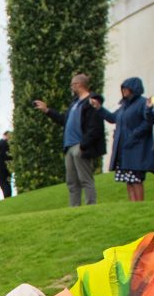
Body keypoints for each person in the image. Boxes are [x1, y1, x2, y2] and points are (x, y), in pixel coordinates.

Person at [34, 74, 105, 206]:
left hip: (80, 146)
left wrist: (83, 145)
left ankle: (91, 206)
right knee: (72, 182)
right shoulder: (74, 103)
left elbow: (94, 128)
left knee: (85, 179)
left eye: (72, 84)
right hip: (69, 147)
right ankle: (74, 209)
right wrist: (47, 110)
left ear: (79, 84)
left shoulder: (91, 102)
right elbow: (64, 120)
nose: (71, 87)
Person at [98, 77, 154, 202]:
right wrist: (99, 108)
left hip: (137, 148)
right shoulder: (124, 106)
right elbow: (112, 118)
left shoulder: (142, 103)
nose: (124, 91)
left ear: (133, 89)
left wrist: (134, 134)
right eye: (123, 88)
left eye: (126, 88)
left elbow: (149, 121)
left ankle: (140, 205)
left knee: (136, 179)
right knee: (128, 179)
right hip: (124, 148)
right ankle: (132, 205)